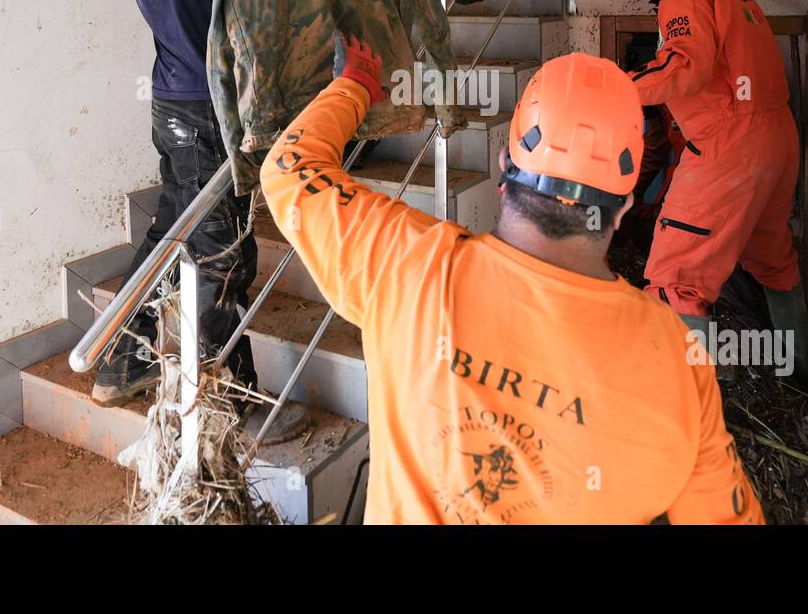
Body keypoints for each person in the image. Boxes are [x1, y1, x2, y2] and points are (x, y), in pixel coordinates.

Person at [259, 36, 764, 524]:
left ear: (504, 166)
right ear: (625, 205)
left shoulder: (407, 263)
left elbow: (289, 168)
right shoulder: (677, 360)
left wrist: (357, 84)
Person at [98, 0, 308, 406]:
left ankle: (119, 358)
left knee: (174, 235)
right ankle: (227, 405)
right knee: (222, 257)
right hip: (192, 107)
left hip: (213, 100)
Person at [614, 0, 808, 381]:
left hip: (730, 148)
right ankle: (804, 375)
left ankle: (689, 404)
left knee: (673, 278)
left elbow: (687, 68)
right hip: (777, 140)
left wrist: (616, 87)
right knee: (772, 259)